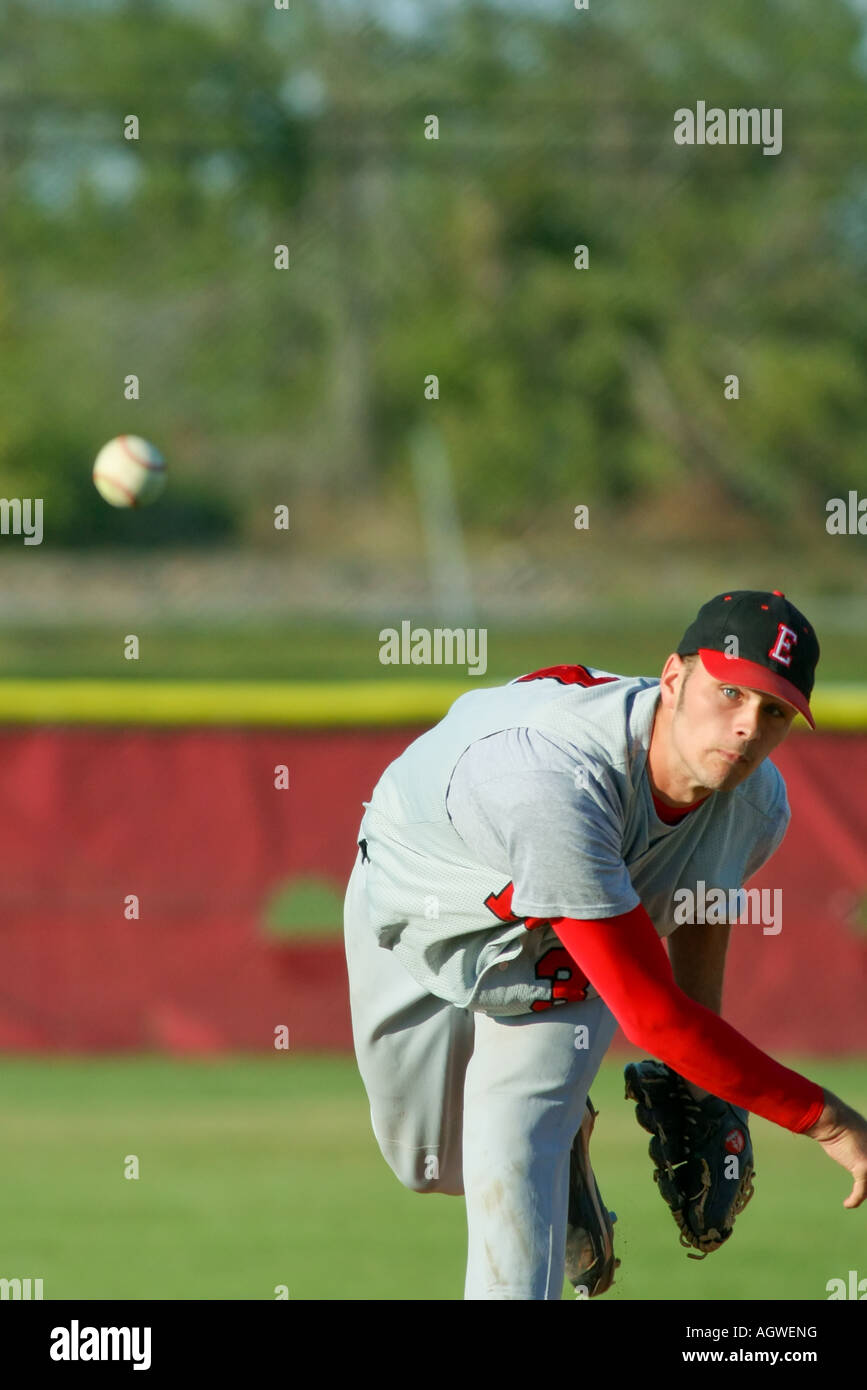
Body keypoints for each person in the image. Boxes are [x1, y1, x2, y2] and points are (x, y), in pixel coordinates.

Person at [342, 590, 867, 1300]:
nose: (746, 727)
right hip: (422, 906)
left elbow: (694, 907)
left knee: (516, 1155)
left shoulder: (755, 801)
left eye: (772, 711)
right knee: (431, 1161)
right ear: (674, 680)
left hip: (557, 960)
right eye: (729, 693)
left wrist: (698, 1078)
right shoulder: (552, 779)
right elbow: (653, 1017)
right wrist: (827, 1122)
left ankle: (550, 1154)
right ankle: (565, 1155)